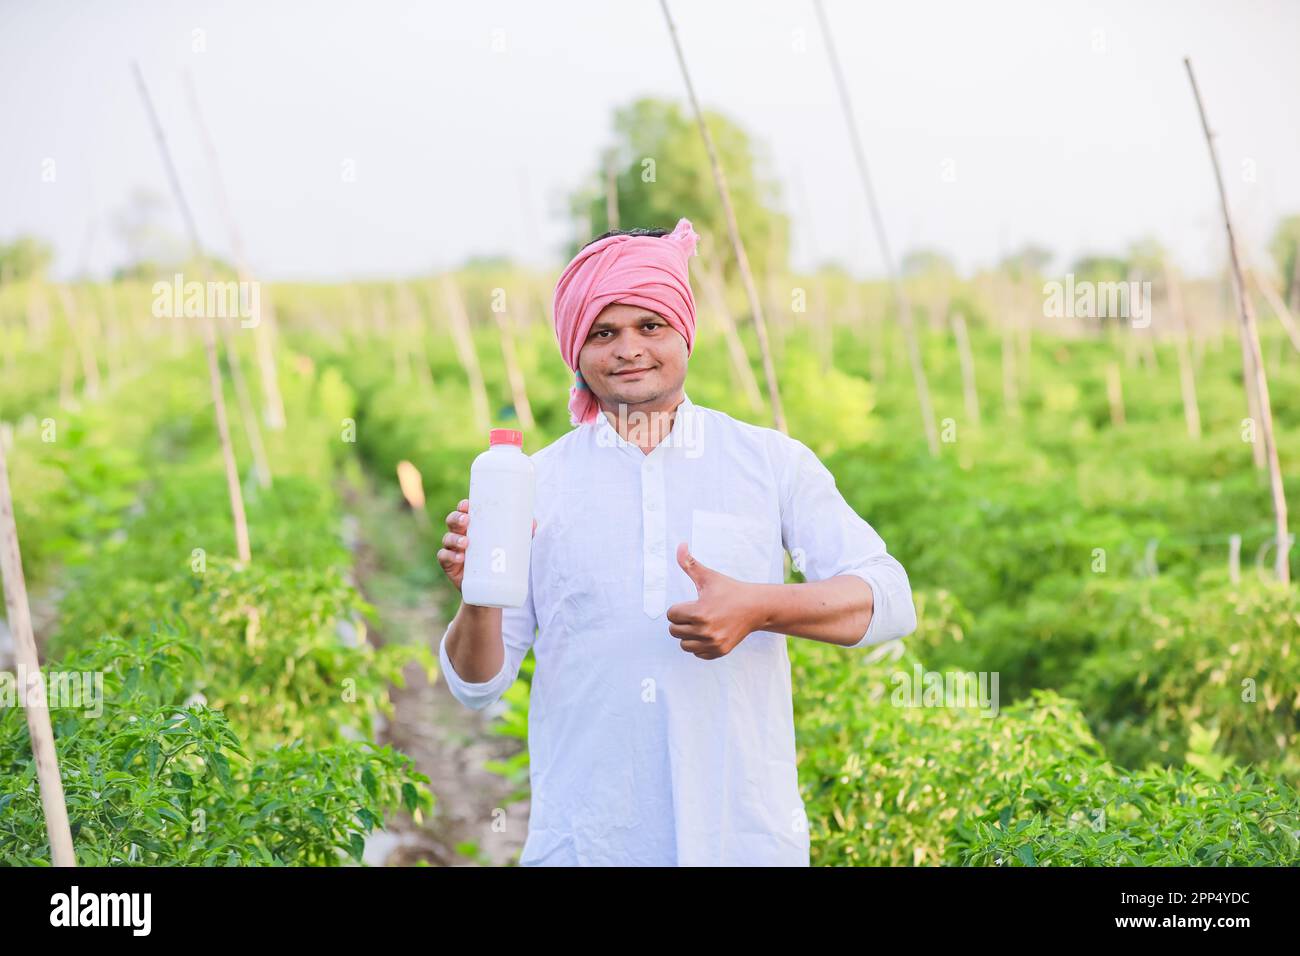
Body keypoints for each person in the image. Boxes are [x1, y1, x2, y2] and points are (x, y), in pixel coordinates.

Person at [436, 218, 916, 866]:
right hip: (589, 844)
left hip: (744, 841)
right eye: (604, 332)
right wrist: (479, 595)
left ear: (683, 333)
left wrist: (759, 607)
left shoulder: (768, 462)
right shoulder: (535, 483)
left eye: (649, 326)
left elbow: (889, 599)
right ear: (576, 349)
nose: (628, 348)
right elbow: (475, 686)